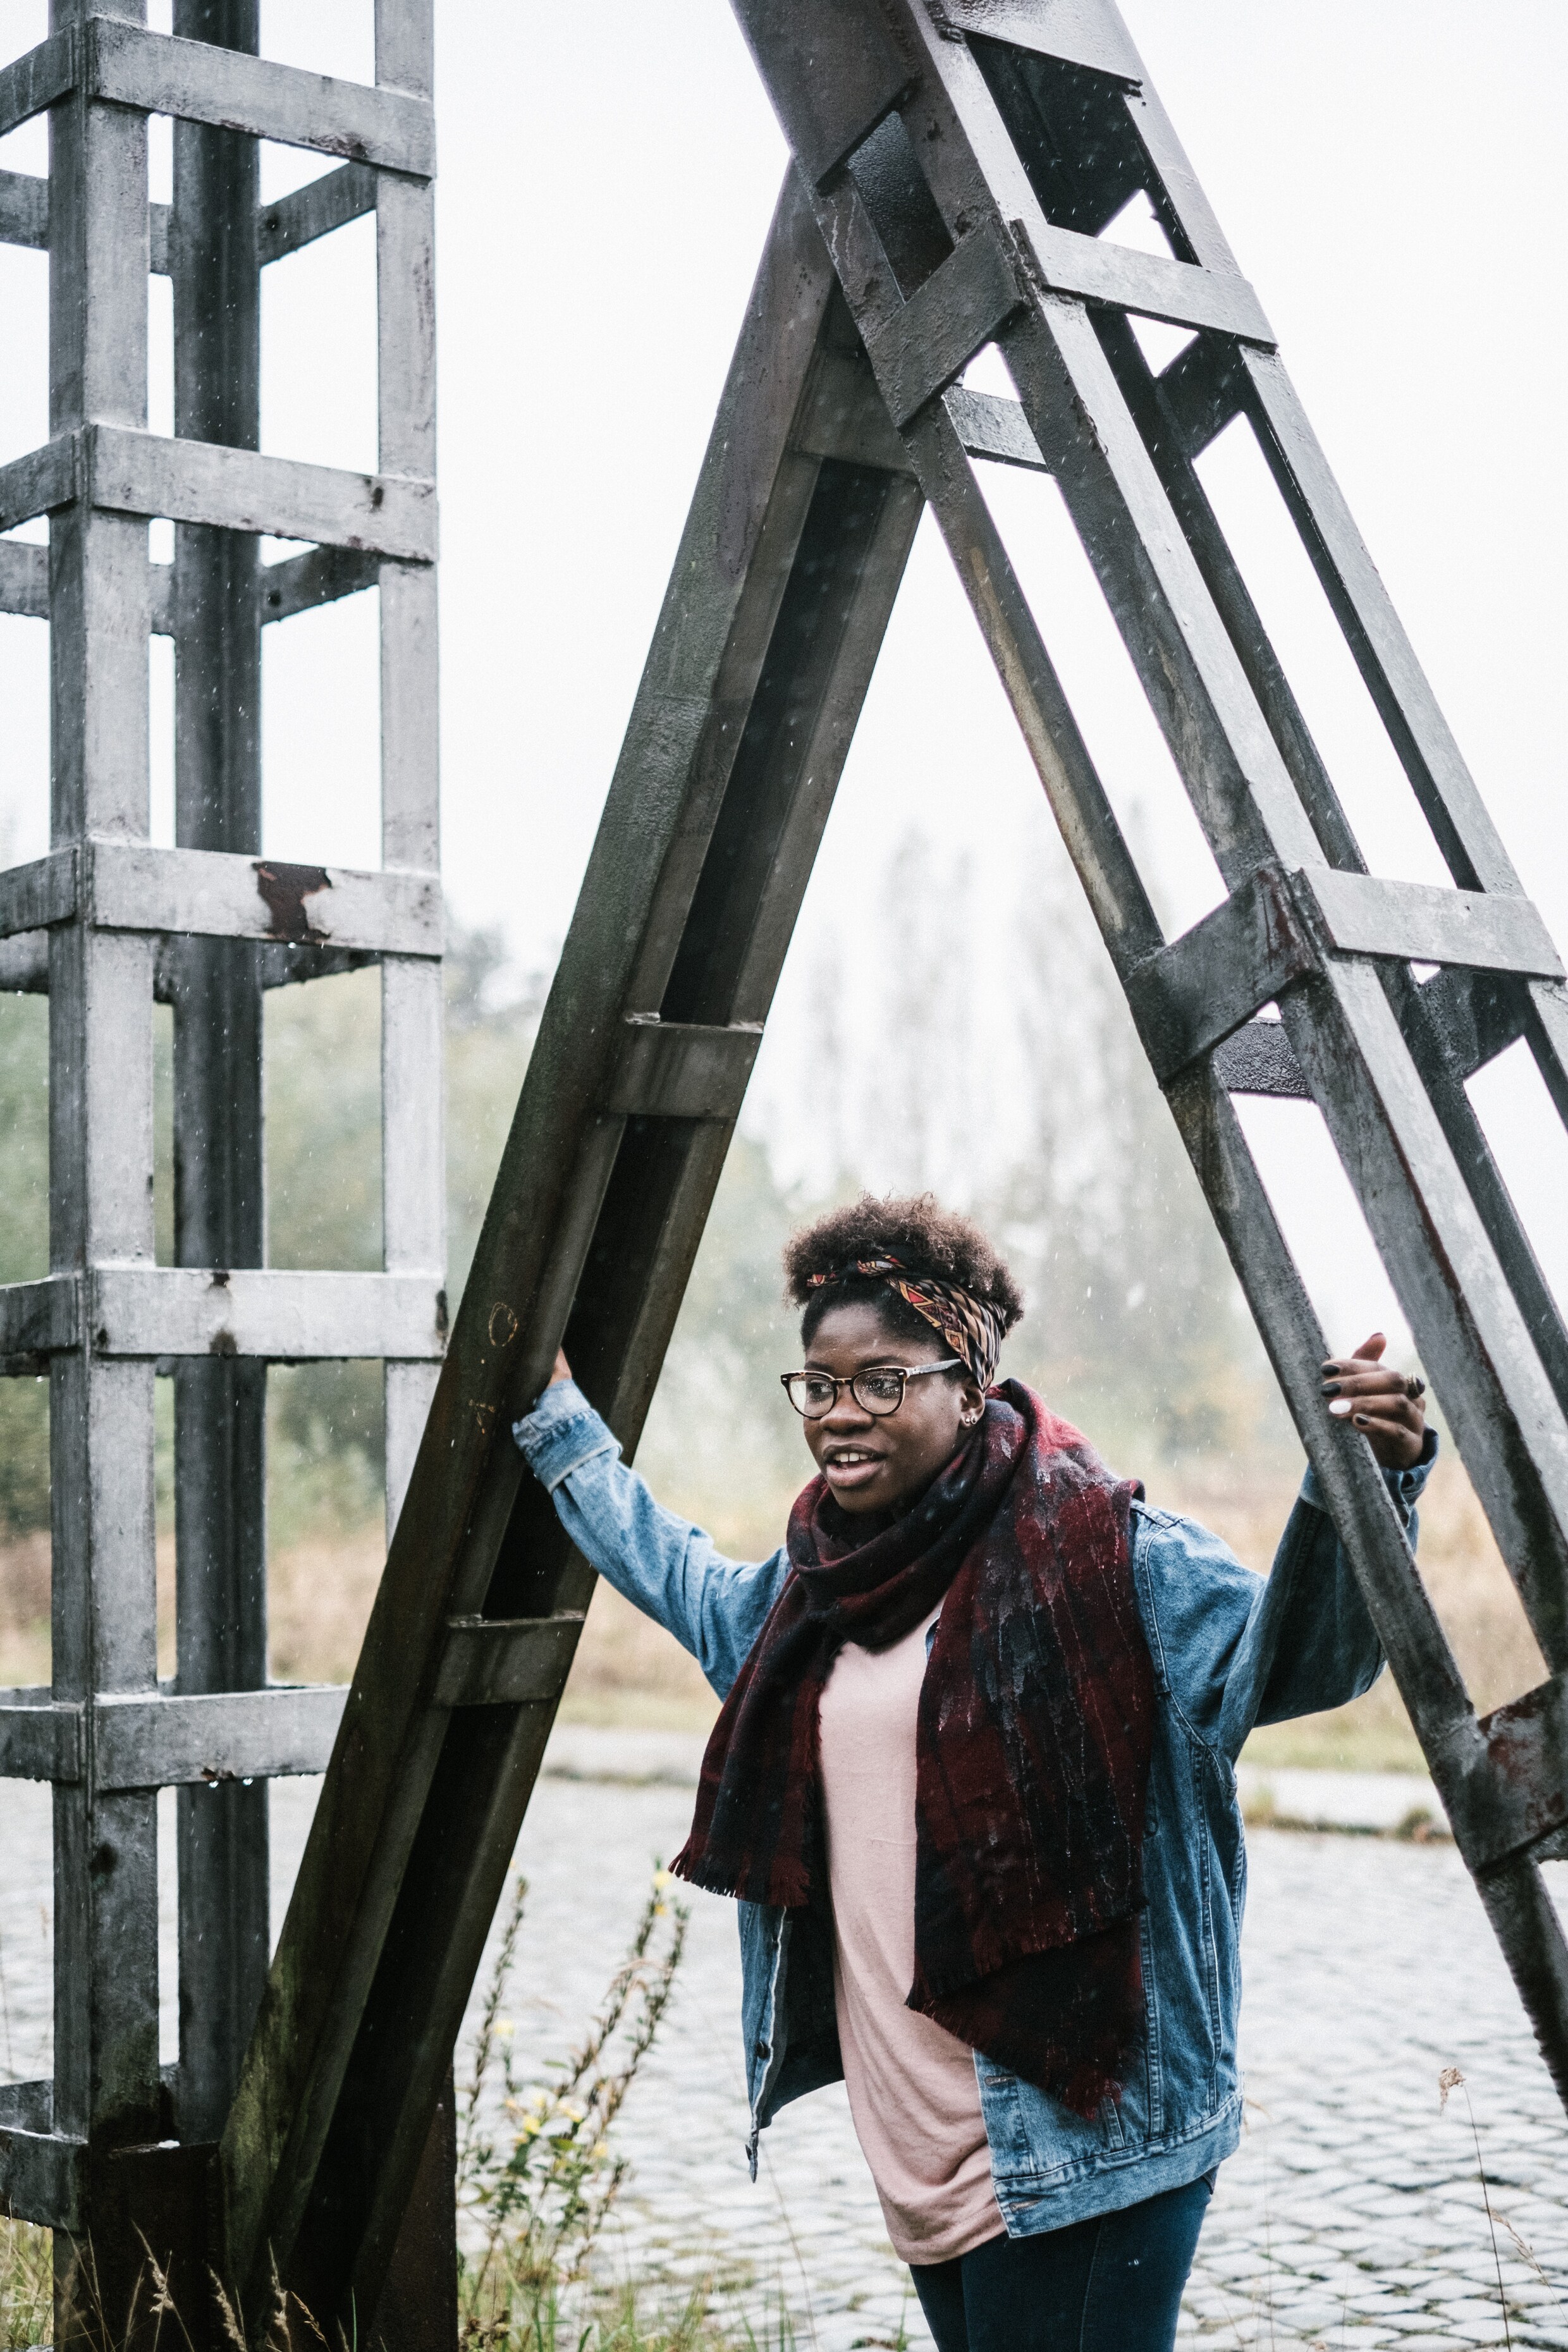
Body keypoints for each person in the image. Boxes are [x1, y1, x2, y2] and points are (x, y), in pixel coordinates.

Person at [511, 1193, 1432, 2352]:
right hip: (925, 2149)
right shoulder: (808, 1599)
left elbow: (1299, 1663)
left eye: (883, 1381)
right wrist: (555, 1421)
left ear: (969, 1381)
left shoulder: (1114, 1557)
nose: (842, 1415)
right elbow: (674, 1571)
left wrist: (1364, 1485)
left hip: (1089, 2137)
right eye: (820, 1384)